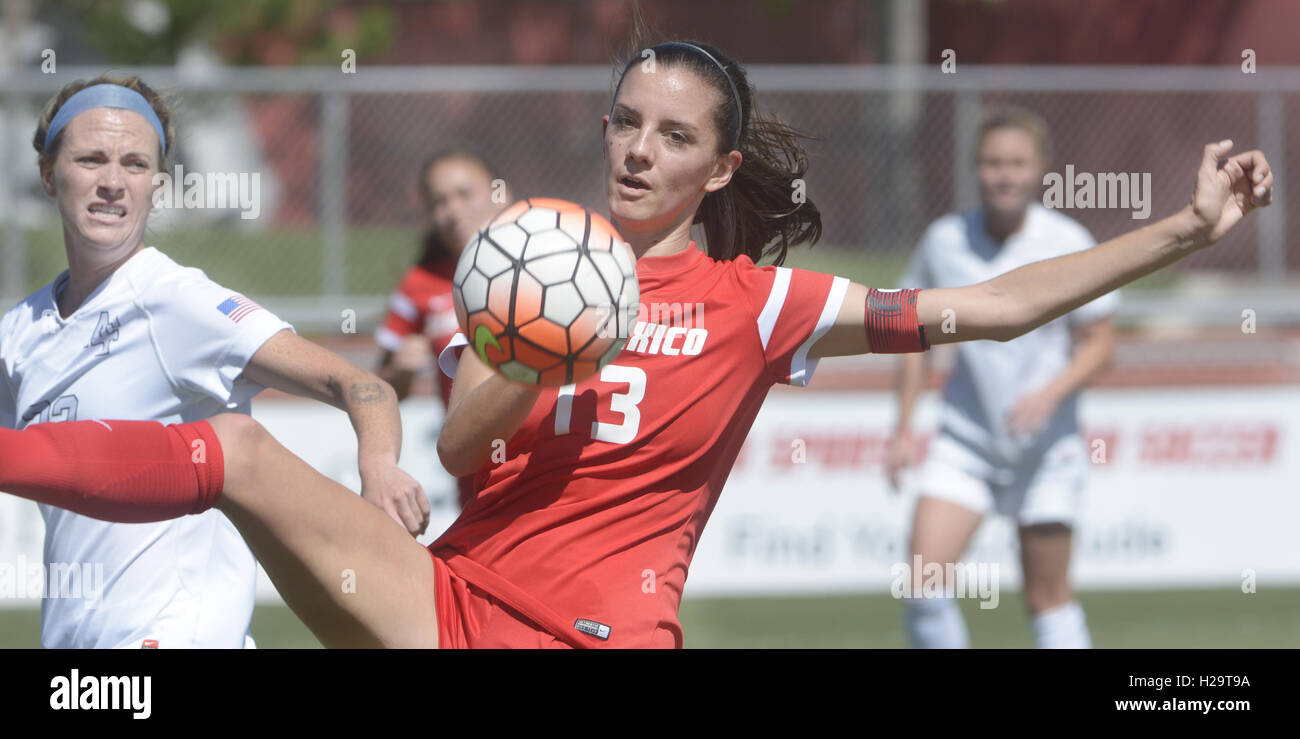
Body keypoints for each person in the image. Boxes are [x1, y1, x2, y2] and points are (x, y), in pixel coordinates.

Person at [0, 38, 1271, 649]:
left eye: (669, 136)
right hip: (447, 600)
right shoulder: (532, 258)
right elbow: (459, 435)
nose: (634, 149)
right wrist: (550, 352)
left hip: (591, 637)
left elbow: (985, 308)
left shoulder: (758, 306)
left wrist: (1187, 226)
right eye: (623, 121)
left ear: (718, 167)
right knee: (231, 445)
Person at [0, 75, 428, 648]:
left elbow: (357, 383)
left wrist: (379, 466)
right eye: (91, 159)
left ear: (157, 184)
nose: (111, 183)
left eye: (133, 164)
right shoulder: (20, 330)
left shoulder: (176, 301)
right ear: (50, 177)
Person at [886, 108, 1117, 648]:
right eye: (992, 163)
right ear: (975, 168)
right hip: (966, 443)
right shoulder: (945, 240)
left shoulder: (1066, 239)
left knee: (1047, 598)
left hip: (1046, 450)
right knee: (922, 585)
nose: (1004, 174)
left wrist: (1049, 394)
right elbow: (908, 333)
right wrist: (902, 428)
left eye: (1017, 162)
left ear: (1040, 169)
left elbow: (1102, 342)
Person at [375, 149, 510, 510]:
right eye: (439, 202)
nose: (453, 212)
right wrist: (400, 373)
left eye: (465, 194)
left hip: (545, 460)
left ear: (502, 193)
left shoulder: (554, 264)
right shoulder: (420, 284)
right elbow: (381, 389)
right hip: (473, 472)